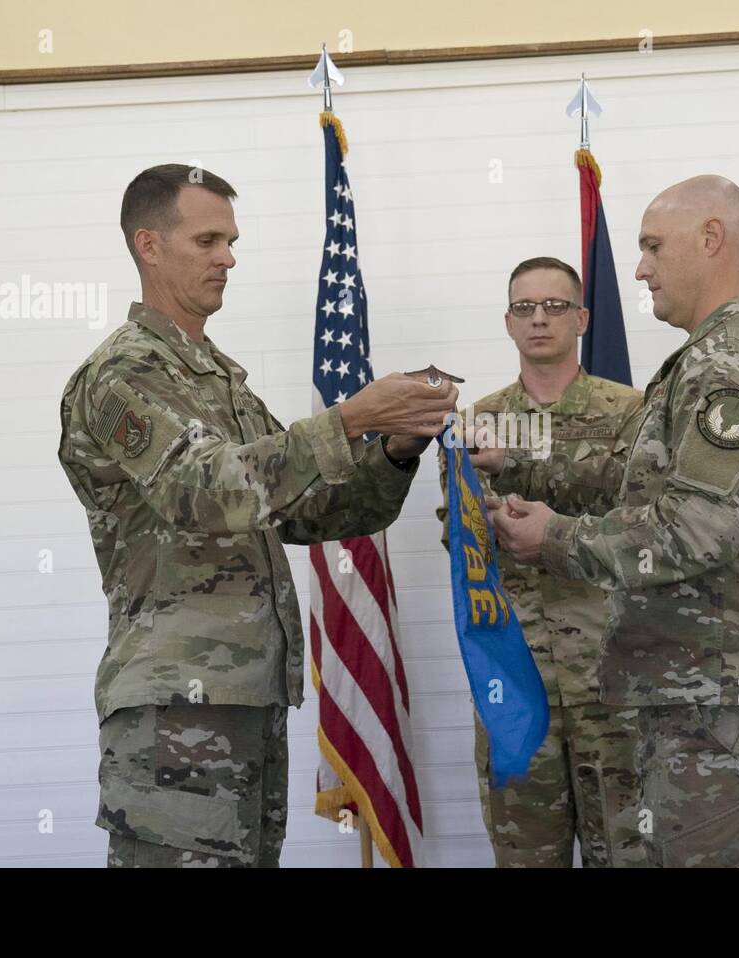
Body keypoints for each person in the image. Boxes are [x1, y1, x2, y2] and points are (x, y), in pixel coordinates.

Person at [57, 163, 457, 867]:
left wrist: (394, 446)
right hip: (173, 710)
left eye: (232, 240)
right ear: (149, 245)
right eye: (209, 239)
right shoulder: (120, 376)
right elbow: (204, 492)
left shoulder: (218, 381)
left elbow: (307, 509)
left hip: (245, 700)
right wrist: (352, 416)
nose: (228, 258)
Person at [486, 177, 739, 867]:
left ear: (711, 240)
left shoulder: (730, 364)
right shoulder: (709, 361)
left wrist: (553, 536)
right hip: (699, 702)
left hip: (730, 711)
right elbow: (641, 476)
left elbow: (698, 528)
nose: (640, 267)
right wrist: (521, 458)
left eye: (652, 247)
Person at [436, 256, 646, 867]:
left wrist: (530, 494)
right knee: (526, 854)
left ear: (581, 319)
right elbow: (458, 537)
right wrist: (486, 523)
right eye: (524, 308)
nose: (539, 319)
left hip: (613, 677)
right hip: (515, 677)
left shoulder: (633, 414)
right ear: (507, 322)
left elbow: (647, 525)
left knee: (631, 850)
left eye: (555, 306)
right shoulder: (475, 424)